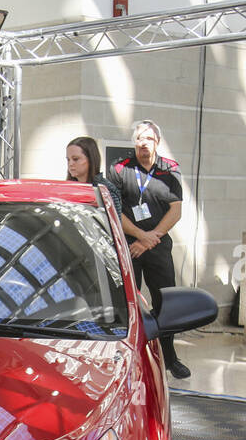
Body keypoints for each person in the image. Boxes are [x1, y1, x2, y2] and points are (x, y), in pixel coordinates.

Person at [110, 120, 190, 379]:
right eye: (139, 139)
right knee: (127, 303)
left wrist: (150, 238)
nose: (144, 143)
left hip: (156, 246)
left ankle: (170, 357)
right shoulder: (120, 169)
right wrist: (140, 236)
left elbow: (175, 210)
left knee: (166, 303)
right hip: (129, 247)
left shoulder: (170, 170)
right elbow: (115, 210)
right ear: (134, 142)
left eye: (149, 138)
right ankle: (128, 357)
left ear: (157, 141)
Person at [66, 136, 122, 214]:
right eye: (68, 159)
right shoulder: (67, 188)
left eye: (75, 159)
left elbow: (114, 224)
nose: (70, 164)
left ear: (90, 159)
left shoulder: (106, 190)